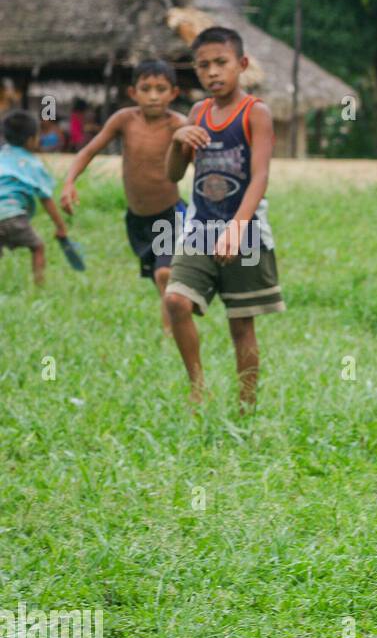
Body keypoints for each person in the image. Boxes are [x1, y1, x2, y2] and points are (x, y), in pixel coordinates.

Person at [163, 27, 282, 410]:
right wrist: (179, 140)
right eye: (203, 66)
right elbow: (173, 174)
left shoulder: (256, 113)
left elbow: (260, 177)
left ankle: (246, 407)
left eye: (221, 63)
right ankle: (197, 388)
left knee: (241, 323)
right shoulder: (197, 114)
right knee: (176, 302)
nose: (212, 72)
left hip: (245, 232)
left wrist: (236, 228)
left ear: (242, 65)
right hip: (199, 228)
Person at [61, 60, 187, 333]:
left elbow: (203, 161)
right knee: (160, 277)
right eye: (146, 88)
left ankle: (171, 333)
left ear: (173, 93)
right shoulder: (124, 120)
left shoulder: (179, 125)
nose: (153, 95)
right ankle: (178, 311)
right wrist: (70, 181)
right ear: (133, 92)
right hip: (137, 218)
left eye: (161, 89)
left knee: (164, 273)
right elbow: (88, 151)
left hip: (169, 213)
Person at [0, 109, 70, 285]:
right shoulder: (32, 164)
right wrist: (60, 227)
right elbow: (46, 199)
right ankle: (39, 286)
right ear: (31, 139)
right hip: (12, 214)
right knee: (37, 247)